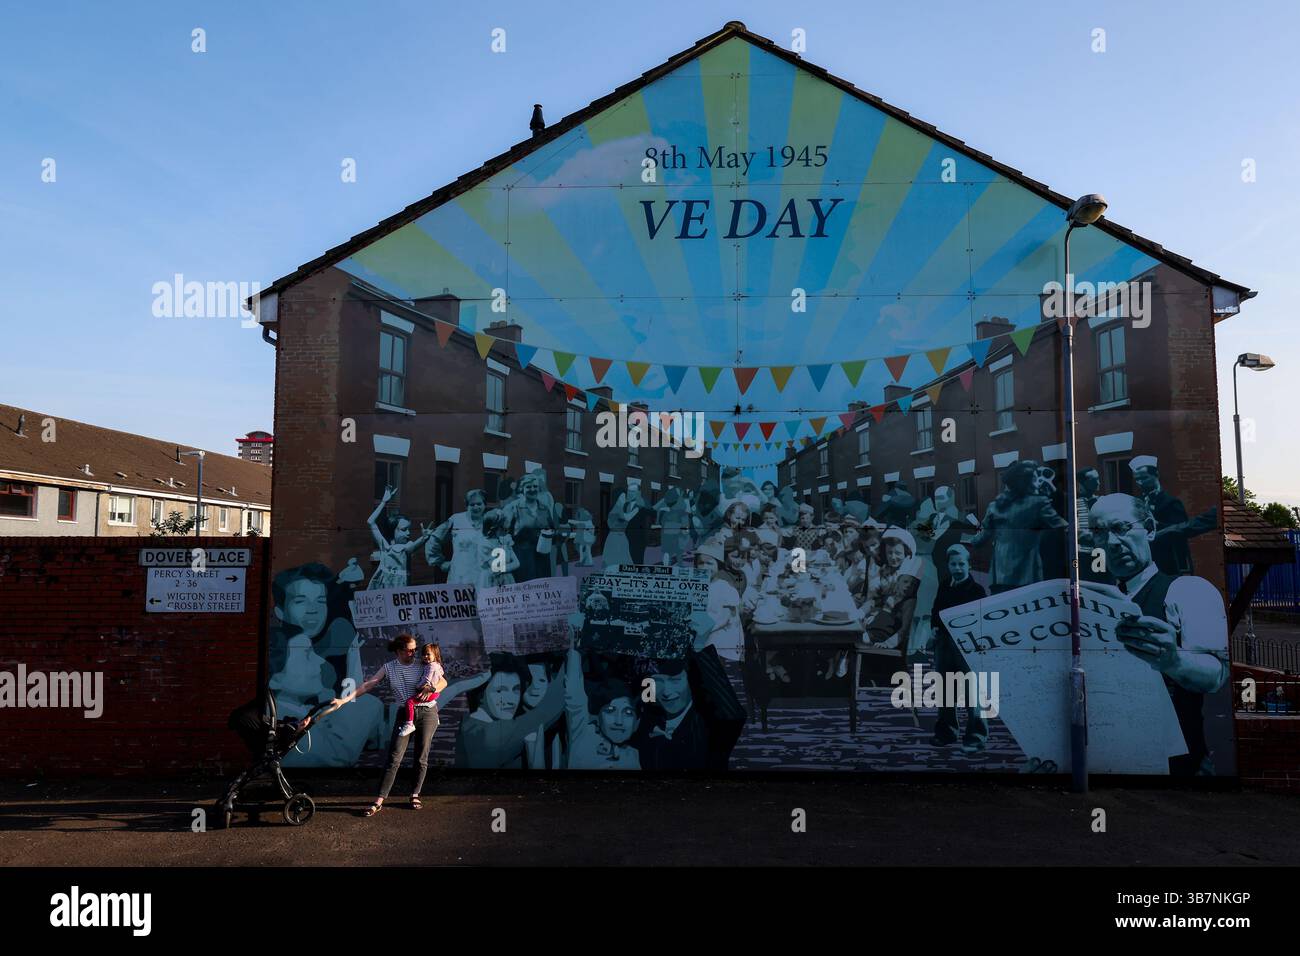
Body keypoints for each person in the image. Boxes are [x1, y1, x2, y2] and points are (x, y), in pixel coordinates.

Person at [1088, 493, 1230, 775]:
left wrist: (1173, 660)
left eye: (1121, 528)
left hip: (1176, 766)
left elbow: (1216, 676)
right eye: (1100, 534)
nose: (1112, 543)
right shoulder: (1096, 603)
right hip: (1109, 761)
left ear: (1150, 528)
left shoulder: (1188, 591)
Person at [326, 634, 450, 816]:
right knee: (394, 757)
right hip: (405, 714)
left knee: (421, 757)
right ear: (399, 651)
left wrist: (431, 688)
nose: (415, 653)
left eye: (416, 649)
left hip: (428, 712)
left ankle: (415, 794)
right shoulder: (389, 668)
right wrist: (343, 701)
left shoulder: (423, 664)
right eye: (410, 650)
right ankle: (379, 800)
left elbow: (444, 681)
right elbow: (368, 685)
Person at [965, 461, 1066, 592]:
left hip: (1000, 575)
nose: (1037, 482)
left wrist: (966, 541)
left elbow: (982, 537)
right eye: (1035, 478)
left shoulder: (995, 506)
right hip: (1026, 574)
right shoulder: (1038, 503)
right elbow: (1062, 526)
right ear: (1026, 482)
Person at [454, 653, 567, 769]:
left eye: (515, 689)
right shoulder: (481, 734)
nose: (510, 699)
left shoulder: (475, 724)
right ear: (481, 695)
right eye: (499, 691)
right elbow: (546, 710)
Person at [929, 545, 989, 752]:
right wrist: (934, 628)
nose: (957, 568)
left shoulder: (977, 590)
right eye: (953, 564)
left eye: (962, 564)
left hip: (966, 646)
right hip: (944, 644)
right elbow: (936, 610)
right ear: (948, 566)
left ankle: (975, 735)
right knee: (945, 689)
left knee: (971, 691)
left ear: (969, 565)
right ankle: (946, 732)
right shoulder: (945, 585)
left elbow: (981, 620)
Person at [1130, 456, 1215, 577]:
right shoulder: (1139, 503)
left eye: (1144, 478)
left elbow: (1182, 530)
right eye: (1137, 479)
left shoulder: (1171, 503)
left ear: (1156, 475)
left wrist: (1156, 524)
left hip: (1169, 562)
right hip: (1147, 561)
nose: (1140, 483)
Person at [563, 639, 641, 769]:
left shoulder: (633, 756)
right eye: (610, 711)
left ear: (636, 723)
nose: (619, 722)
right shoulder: (584, 736)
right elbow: (574, 696)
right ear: (597, 718)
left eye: (627, 713)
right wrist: (573, 650)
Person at [366, 487, 432, 589]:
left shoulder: (407, 546)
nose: (408, 533)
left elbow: (413, 547)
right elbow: (370, 521)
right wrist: (384, 502)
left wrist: (423, 538)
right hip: (382, 588)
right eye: (404, 529)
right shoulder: (385, 545)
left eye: (409, 529)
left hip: (399, 588)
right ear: (393, 530)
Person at [425, 490, 488, 585]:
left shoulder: (490, 521)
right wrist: (440, 562)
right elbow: (434, 538)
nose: (476, 507)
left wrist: (499, 570)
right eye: (472, 504)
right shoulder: (456, 520)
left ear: (485, 504)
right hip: (460, 576)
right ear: (467, 506)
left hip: (484, 576)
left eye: (479, 504)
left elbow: (500, 547)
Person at [502, 474, 556, 582]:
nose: (533, 489)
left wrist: (552, 534)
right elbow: (502, 533)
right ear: (522, 489)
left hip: (542, 557)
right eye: (528, 487)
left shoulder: (544, 508)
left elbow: (551, 528)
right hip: (521, 557)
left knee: (542, 588)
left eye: (535, 486)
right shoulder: (513, 508)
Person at [397, 643, 444, 738]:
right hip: (434, 694)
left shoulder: (430, 666)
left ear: (435, 655)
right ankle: (437, 718)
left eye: (428, 654)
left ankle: (409, 724)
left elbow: (427, 679)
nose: (425, 657)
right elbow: (441, 673)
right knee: (432, 702)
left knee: (409, 702)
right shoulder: (437, 665)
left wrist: (419, 686)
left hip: (429, 691)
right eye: (423, 654)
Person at [477, 508, 520, 588]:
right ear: (493, 529)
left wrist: (503, 569)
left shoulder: (506, 540)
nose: (507, 532)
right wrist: (508, 566)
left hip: (507, 580)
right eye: (504, 529)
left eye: (508, 529)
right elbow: (495, 568)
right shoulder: (485, 545)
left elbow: (517, 563)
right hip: (491, 581)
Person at [602, 488, 635, 568]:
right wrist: (636, 509)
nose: (624, 499)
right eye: (622, 497)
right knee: (617, 559)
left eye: (624, 497)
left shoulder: (620, 509)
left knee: (622, 559)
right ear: (617, 498)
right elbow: (627, 517)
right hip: (616, 537)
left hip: (620, 537)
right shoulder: (617, 509)